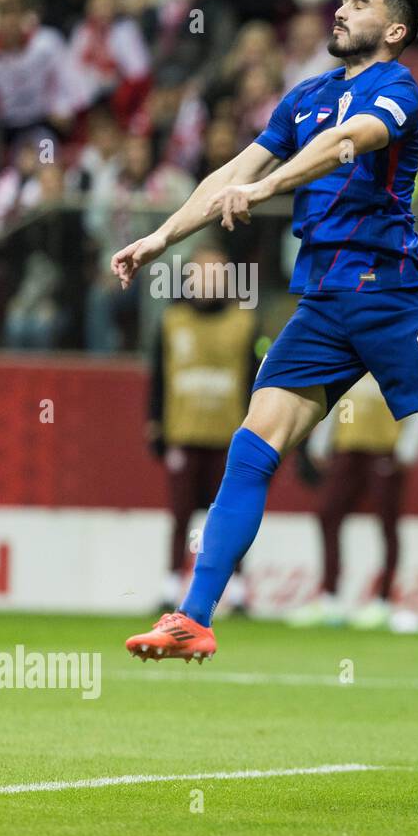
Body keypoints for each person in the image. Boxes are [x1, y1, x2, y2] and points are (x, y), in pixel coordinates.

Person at [111, 0, 418, 715]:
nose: (342, 8)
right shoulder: (303, 95)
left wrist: (267, 192)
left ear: (395, 30)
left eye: (361, 3)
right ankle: (195, 618)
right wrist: (163, 236)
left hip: (395, 297)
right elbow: (233, 171)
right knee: (252, 442)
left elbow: (340, 149)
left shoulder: (401, 89)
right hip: (324, 299)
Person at [147, 241, 259, 616]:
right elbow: (158, 376)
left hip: (229, 436)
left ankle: (239, 592)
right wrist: (155, 424)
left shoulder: (245, 323)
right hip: (184, 431)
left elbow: (253, 381)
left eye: (216, 273)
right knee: (180, 516)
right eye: (201, 273)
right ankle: (170, 587)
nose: (208, 281)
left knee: (231, 517)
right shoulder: (171, 320)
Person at [299, 372, 418, 630]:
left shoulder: (399, 352)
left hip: (385, 448)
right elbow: (335, 397)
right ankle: (329, 597)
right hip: (347, 447)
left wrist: (408, 448)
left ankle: (384, 601)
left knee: (387, 522)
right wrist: (321, 442)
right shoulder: (353, 351)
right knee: (328, 513)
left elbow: (417, 400)